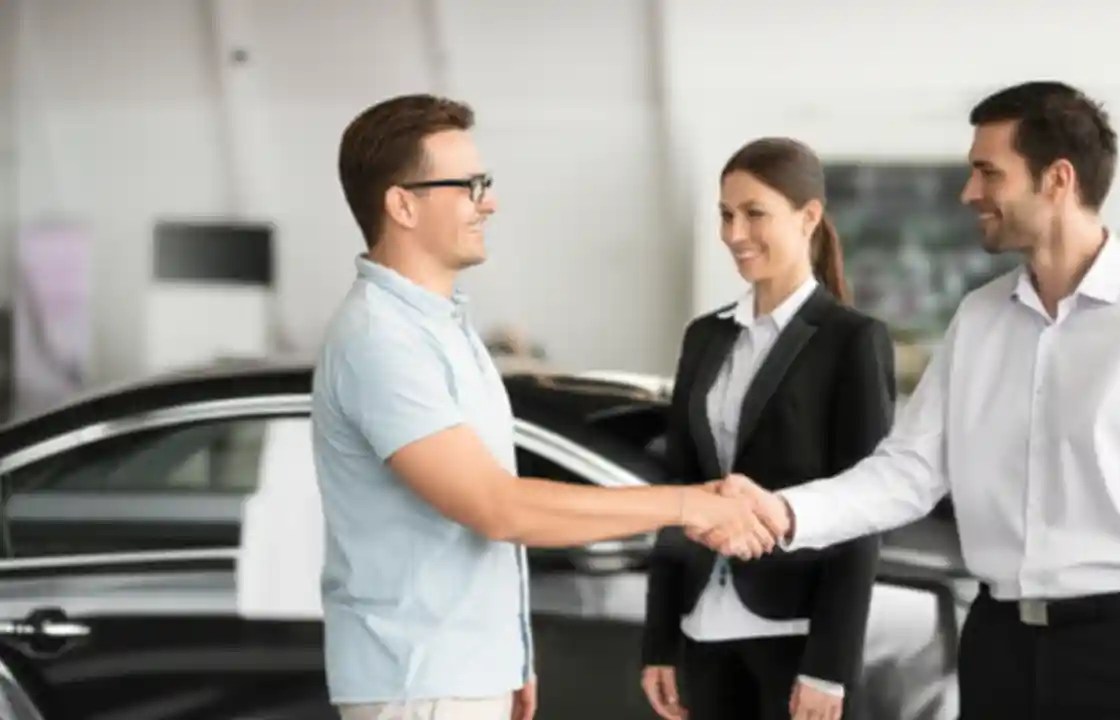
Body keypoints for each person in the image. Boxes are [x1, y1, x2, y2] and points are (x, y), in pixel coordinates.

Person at [705, 81, 1120, 720]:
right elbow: (910, 471)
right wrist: (783, 512)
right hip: (997, 646)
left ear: (1057, 180)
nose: (969, 193)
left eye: (988, 173)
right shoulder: (978, 319)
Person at [311, 93, 775, 720]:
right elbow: (496, 506)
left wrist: (508, 661)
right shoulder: (380, 340)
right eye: (470, 185)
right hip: (419, 680)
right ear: (402, 204)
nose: (489, 201)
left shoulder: (439, 327)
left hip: (459, 674)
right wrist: (689, 504)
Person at [640, 137, 897, 720]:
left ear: (808, 217)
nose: (734, 233)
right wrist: (659, 639)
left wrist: (830, 667)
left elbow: (864, 509)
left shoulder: (851, 340)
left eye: (754, 213)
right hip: (702, 626)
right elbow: (676, 490)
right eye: (726, 214)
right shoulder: (706, 338)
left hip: (797, 634)